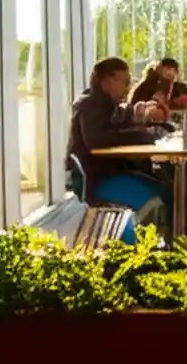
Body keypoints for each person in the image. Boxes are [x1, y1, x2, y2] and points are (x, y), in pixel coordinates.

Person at [68, 57, 169, 242]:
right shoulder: (91, 104)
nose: (128, 87)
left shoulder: (103, 103)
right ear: (108, 81)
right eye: (125, 81)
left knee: (166, 188)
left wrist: (139, 122)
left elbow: (119, 123)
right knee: (159, 196)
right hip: (96, 180)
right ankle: (138, 251)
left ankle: (158, 248)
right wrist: (140, 135)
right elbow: (96, 140)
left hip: (108, 173)